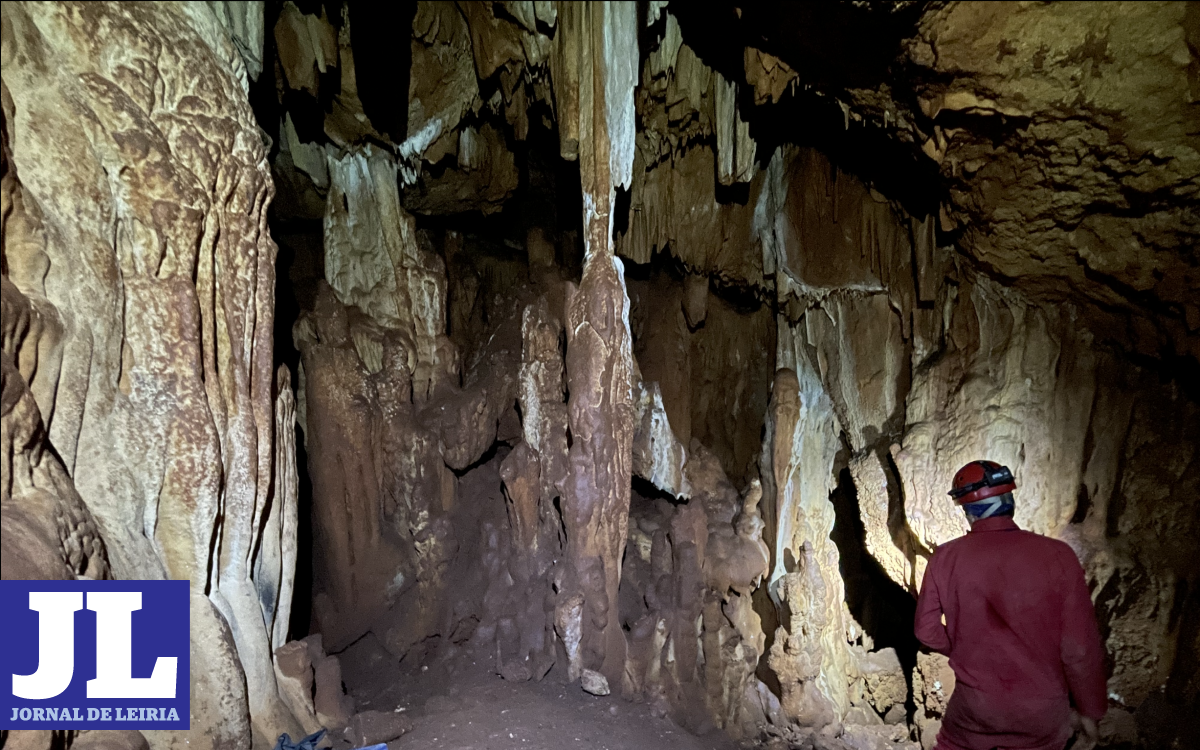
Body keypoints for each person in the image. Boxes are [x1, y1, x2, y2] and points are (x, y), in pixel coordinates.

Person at [914, 460, 1107, 750]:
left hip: (975, 707)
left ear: (968, 512)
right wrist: (1090, 711)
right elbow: (1079, 648)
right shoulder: (1058, 556)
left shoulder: (945, 557)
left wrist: (964, 648)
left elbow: (926, 631)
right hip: (1040, 711)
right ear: (1010, 501)